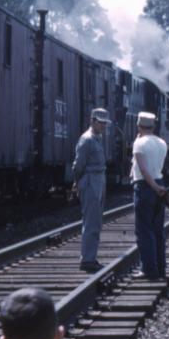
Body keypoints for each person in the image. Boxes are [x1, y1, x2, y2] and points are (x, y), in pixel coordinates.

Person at [73, 108, 111, 273]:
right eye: (100, 122)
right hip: (90, 181)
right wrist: (78, 183)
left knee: (96, 221)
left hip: (98, 180)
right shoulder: (86, 140)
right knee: (91, 222)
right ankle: (87, 260)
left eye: (105, 123)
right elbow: (78, 166)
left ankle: (90, 257)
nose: (103, 126)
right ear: (92, 120)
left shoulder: (97, 138)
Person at [131, 112, 168, 280]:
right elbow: (156, 167)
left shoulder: (139, 144)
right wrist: (159, 188)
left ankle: (148, 269)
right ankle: (161, 268)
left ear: (139, 126)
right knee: (158, 230)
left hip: (146, 187)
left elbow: (144, 170)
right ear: (153, 127)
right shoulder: (162, 143)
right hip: (160, 183)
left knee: (144, 230)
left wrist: (153, 187)